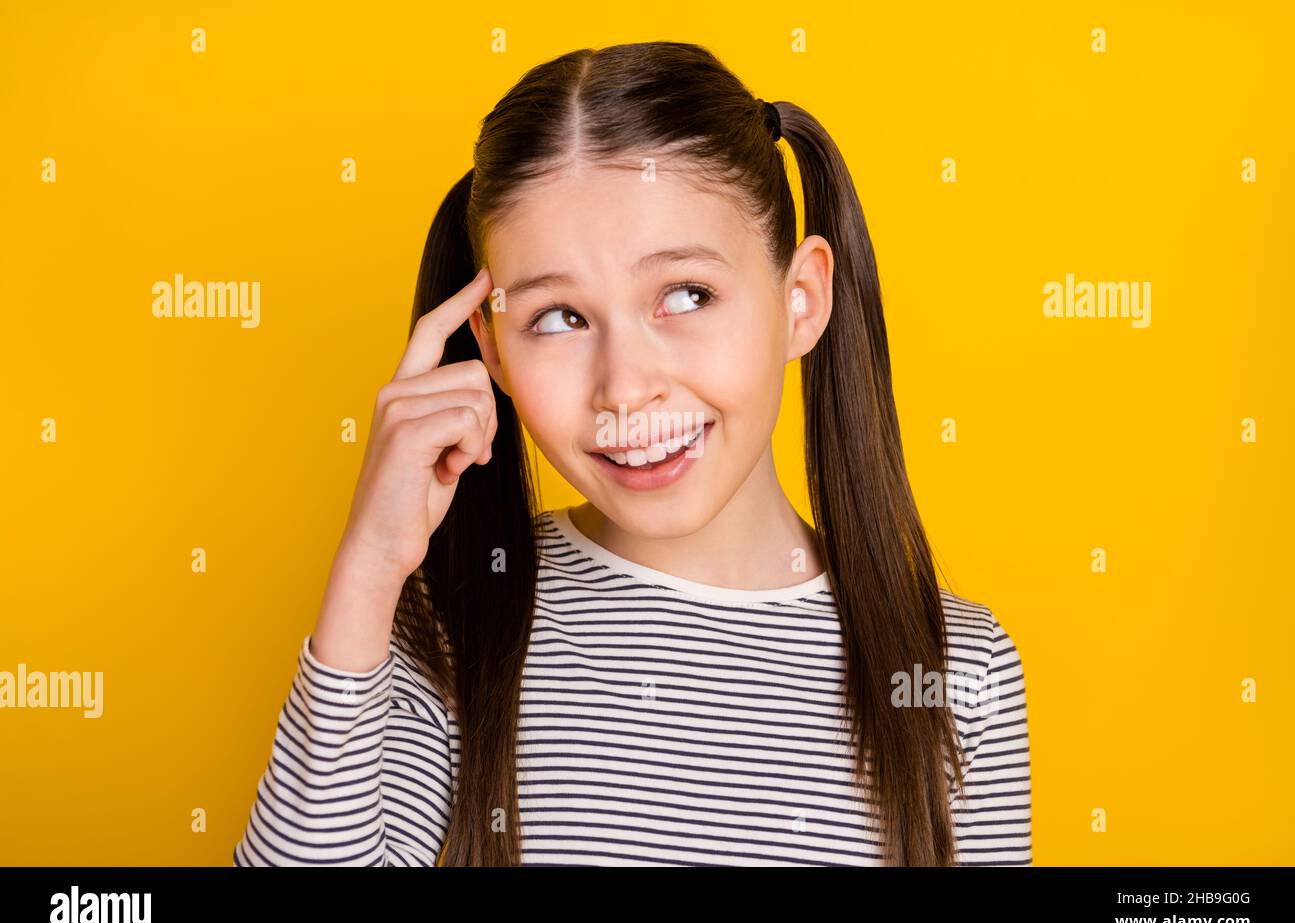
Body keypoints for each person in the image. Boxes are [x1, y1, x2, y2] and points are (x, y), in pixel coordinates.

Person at [233, 40, 1031, 867]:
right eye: (558, 318)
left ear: (802, 299)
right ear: (494, 351)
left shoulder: (957, 671)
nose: (624, 388)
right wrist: (368, 567)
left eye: (686, 296)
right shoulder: (455, 623)